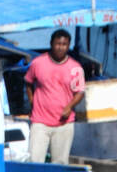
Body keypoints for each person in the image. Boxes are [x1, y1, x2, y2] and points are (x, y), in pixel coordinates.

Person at [23, 29, 85, 164]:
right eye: (58, 44)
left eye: (64, 44)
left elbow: (80, 92)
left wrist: (69, 107)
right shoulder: (38, 63)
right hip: (40, 121)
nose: (60, 47)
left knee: (60, 163)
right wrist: (32, 102)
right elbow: (28, 82)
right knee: (34, 160)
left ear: (68, 46)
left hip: (64, 123)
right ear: (51, 44)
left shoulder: (76, 67)